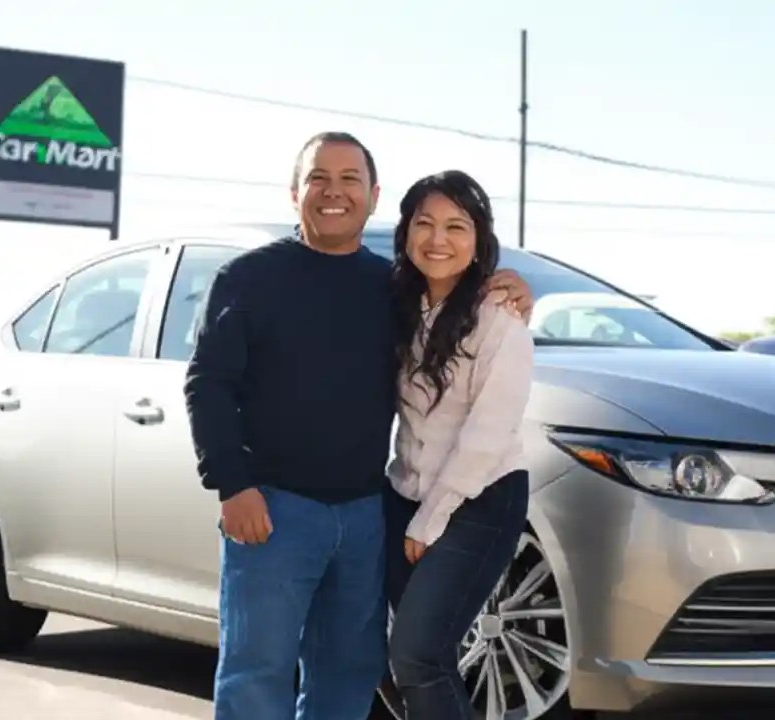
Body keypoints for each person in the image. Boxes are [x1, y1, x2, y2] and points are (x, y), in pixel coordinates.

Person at [184, 132, 533, 720]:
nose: (333, 192)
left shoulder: (391, 286)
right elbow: (207, 384)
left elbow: (465, 307)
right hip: (272, 511)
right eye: (318, 177)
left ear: (373, 197)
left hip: (365, 514)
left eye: (350, 180)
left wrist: (516, 288)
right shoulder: (247, 279)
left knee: (347, 674)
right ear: (294, 192)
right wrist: (231, 483)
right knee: (256, 672)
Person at [383, 170, 534, 719]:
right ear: (405, 233)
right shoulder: (396, 305)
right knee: (393, 654)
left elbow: (488, 435)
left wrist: (431, 517)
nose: (438, 239)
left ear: (479, 242)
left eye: (455, 226)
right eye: (424, 223)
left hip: (479, 500)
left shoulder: (501, 321)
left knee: (419, 655)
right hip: (402, 492)